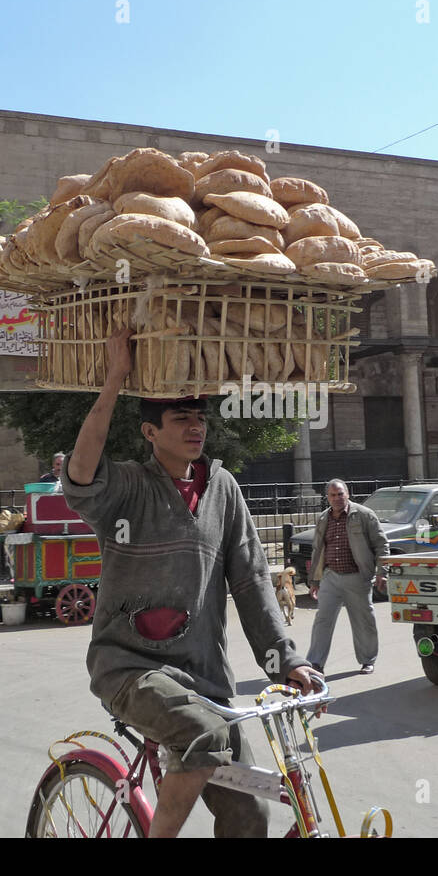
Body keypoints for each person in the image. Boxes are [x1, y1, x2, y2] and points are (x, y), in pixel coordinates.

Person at [63, 327, 314, 839]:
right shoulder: (128, 486)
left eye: (200, 418)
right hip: (128, 668)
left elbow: (252, 582)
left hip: (205, 678)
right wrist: (116, 377)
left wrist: (286, 660)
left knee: (251, 812)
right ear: (150, 432)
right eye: (180, 418)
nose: (195, 427)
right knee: (203, 733)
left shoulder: (223, 489)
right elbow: (81, 472)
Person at [306, 480, 389, 675]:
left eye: (340, 494)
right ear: (327, 497)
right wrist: (314, 581)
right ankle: (315, 663)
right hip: (330, 577)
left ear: (348, 494)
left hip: (357, 577)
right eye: (333, 495)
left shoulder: (363, 515)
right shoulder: (323, 518)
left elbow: (381, 545)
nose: (337, 498)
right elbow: (317, 550)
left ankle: (368, 660)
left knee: (363, 620)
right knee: (322, 621)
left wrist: (382, 573)